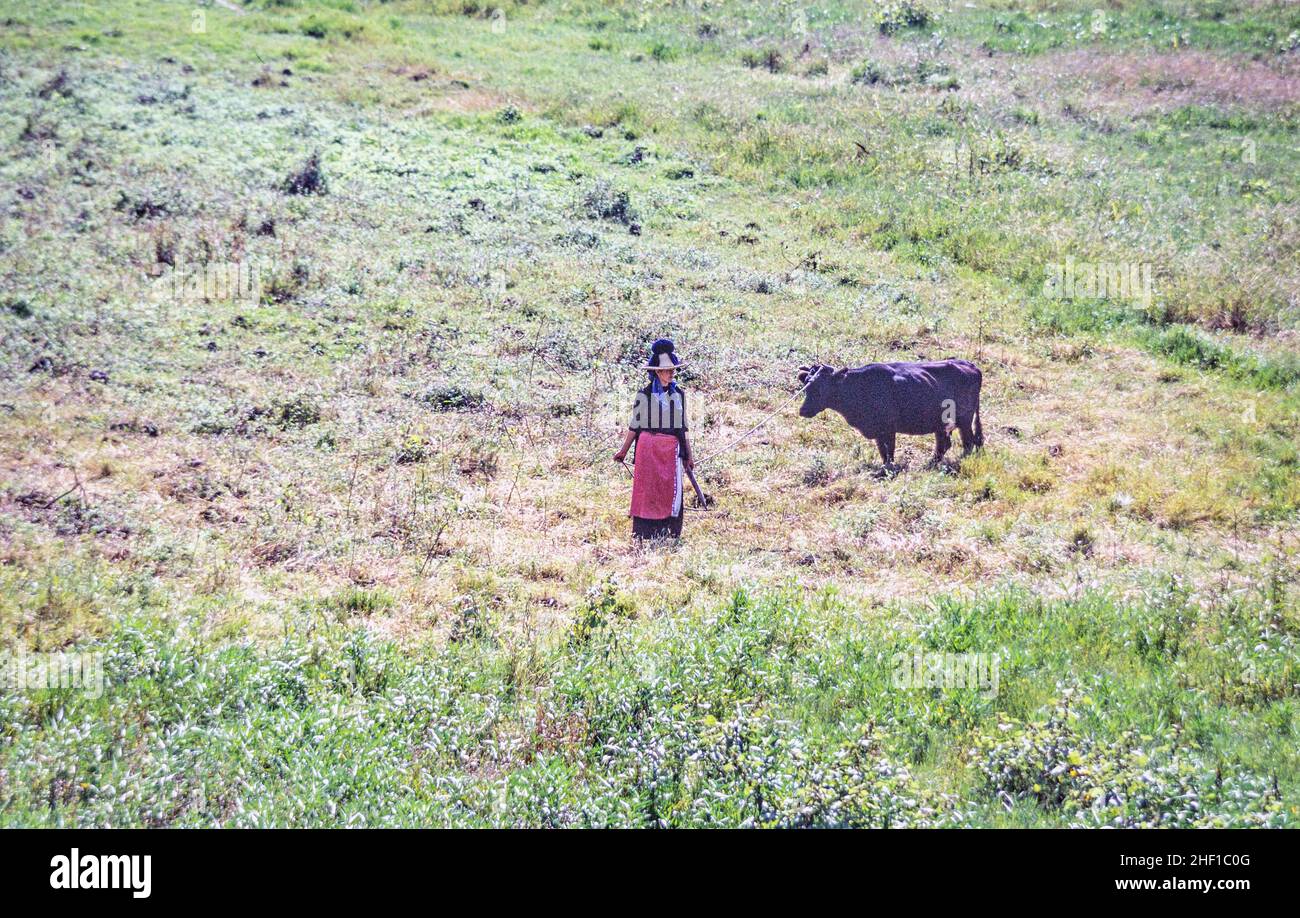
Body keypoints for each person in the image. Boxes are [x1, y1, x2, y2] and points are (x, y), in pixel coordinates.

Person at [613, 338, 693, 541]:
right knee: (648, 491)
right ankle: (645, 533)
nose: (671, 374)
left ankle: (669, 532)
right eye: (667, 370)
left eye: (673, 370)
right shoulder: (644, 395)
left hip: (671, 449)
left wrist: (689, 454)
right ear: (657, 372)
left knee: (671, 491)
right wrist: (623, 450)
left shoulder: (678, 395)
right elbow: (635, 425)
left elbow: (682, 428)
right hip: (648, 450)